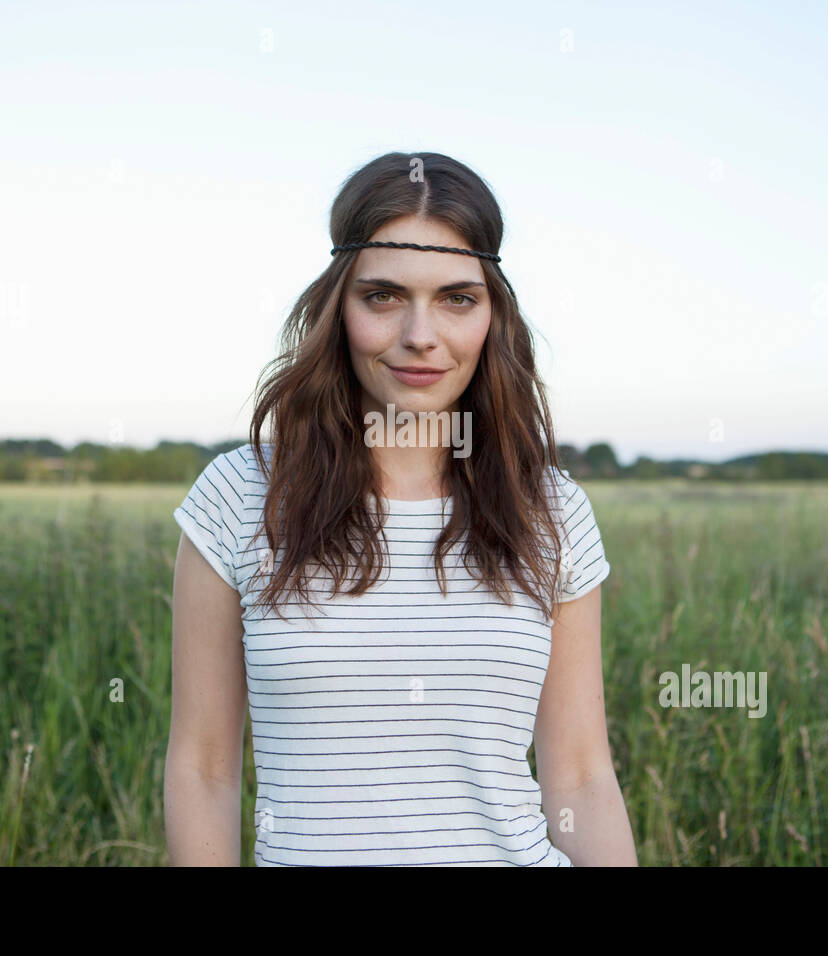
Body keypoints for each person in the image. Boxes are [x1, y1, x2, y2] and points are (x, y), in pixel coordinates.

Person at [164, 151, 638, 866]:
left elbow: (580, 776)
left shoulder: (552, 510)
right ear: (337, 309)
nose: (421, 335)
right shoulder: (240, 497)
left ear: (492, 317)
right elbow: (203, 769)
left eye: (457, 298)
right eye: (383, 296)